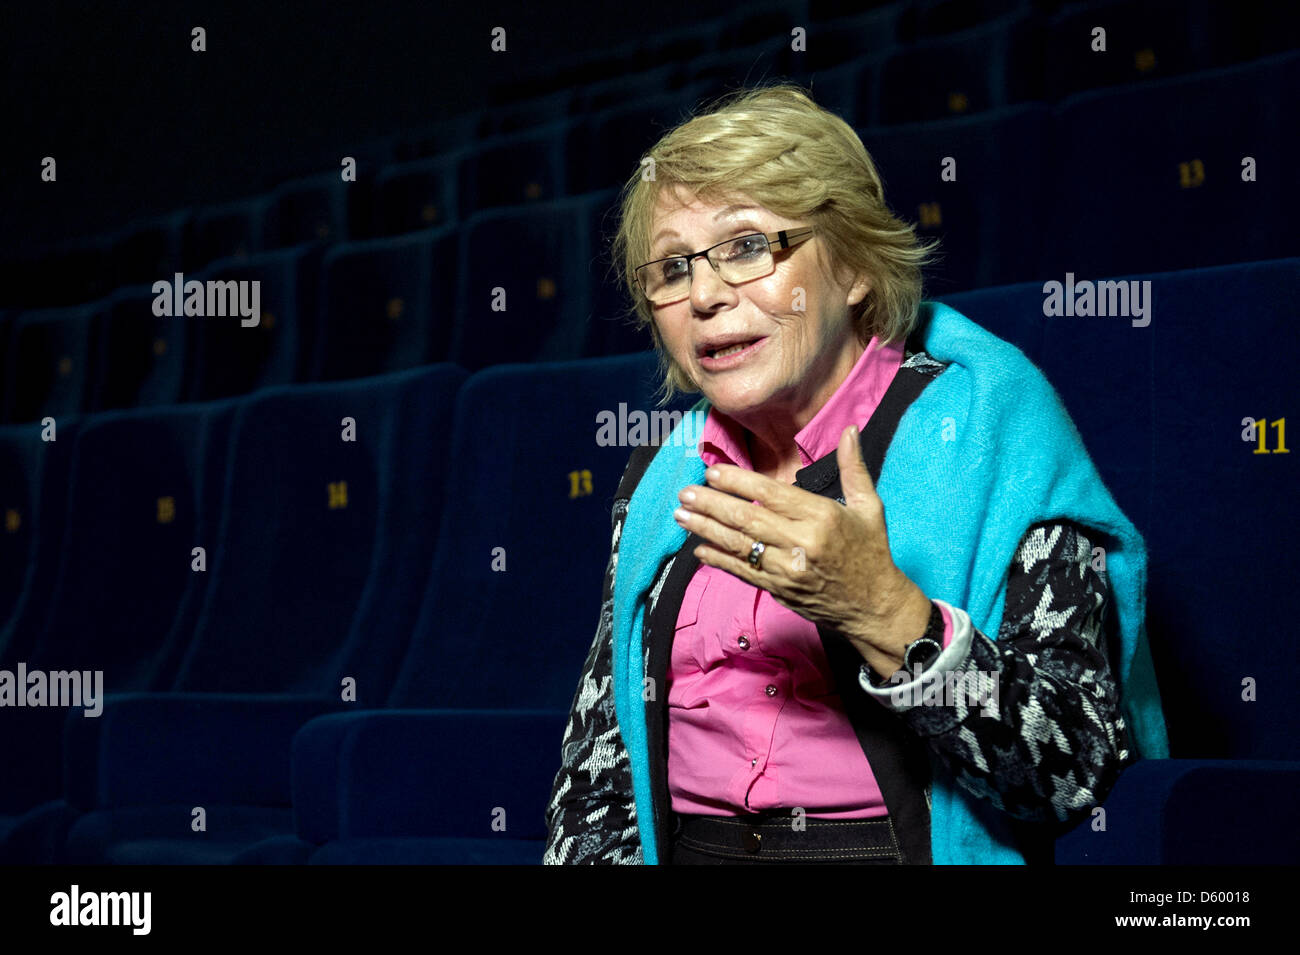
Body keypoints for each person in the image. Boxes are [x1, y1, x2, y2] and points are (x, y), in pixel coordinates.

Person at [544, 83, 1168, 865]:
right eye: (672, 267)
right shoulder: (659, 477)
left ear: (856, 268)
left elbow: (1070, 770)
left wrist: (888, 616)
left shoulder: (994, 432)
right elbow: (600, 772)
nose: (703, 295)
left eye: (746, 246)